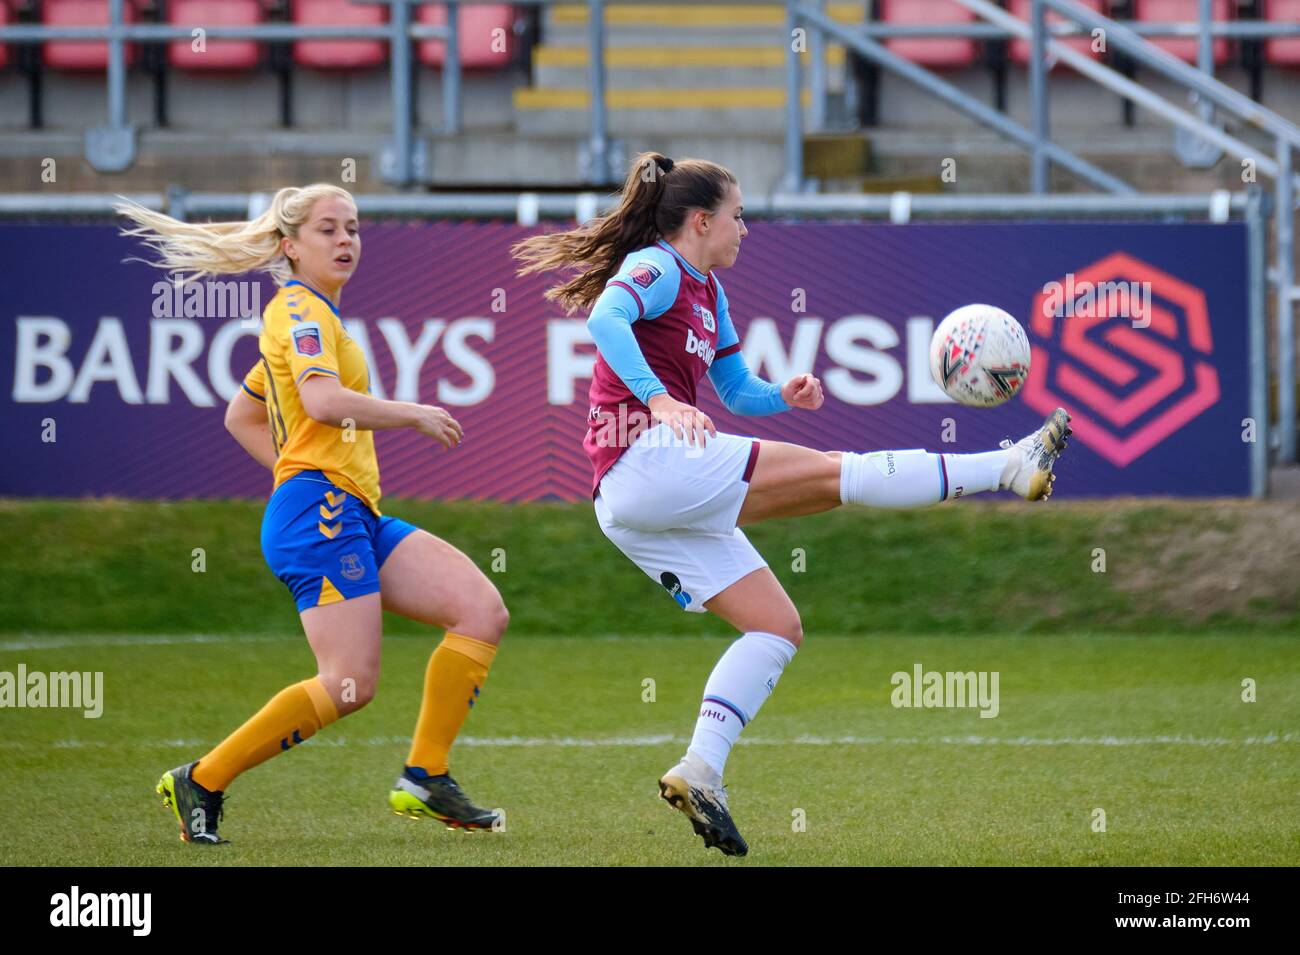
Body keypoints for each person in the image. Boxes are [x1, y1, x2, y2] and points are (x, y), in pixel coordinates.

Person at [514, 154, 1070, 856]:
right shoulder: (657, 268)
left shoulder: (707, 293)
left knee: (776, 627)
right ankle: (1006, 467)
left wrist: (786, 395)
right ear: (701, 220)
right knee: (843, 474)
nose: (746, 228)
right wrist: (658, 400)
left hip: (631, 499)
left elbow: (738, 390)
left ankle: (701, 770)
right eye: (739, 215)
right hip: (647, 462)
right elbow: (605, 319)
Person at [117, 184, 509, 843]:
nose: (346, 240)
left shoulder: (314, 316)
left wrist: (292, 468)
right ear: (290, 245)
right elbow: (324, 404)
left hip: (349, 511)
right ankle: (202, 780)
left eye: (353, 228)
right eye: (329, 229)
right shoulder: (298, 311)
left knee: (480, 610)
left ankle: (425, 776)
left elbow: (242, 413)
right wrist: (407, 414)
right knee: (350, 684)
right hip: (321, 512)